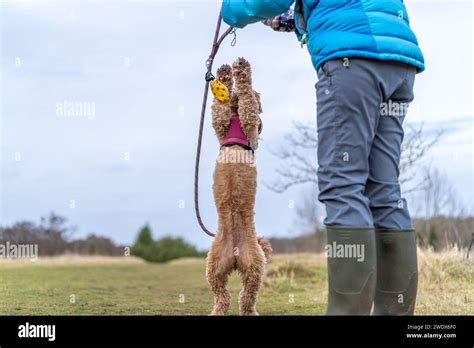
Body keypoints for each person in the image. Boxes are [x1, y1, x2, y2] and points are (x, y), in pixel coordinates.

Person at [220, 0, 424, 315]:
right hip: (398, 58)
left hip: (352, 60)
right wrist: (297, 18)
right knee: (384, 190)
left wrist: (232, 9)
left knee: (342, 184)